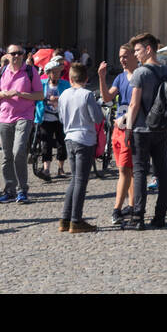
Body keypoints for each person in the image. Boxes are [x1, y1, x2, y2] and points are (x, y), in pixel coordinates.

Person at [125, 32, 167, 230]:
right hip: (160, 129)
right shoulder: (166, 72)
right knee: (162, 172)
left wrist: (128, 128)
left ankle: (138, 218)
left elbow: (134, 104)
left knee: (139, 173)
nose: (135, 54)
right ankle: (160, 216)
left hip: (141, 129)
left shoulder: (140, 73)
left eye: (137, 50)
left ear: (148, 49)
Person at [0, 44, 44, 204]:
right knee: (6, 155)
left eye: (20, 53)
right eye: (13, 53)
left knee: (19, 151)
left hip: (24, 116)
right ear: (7, 55)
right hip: (4, 118)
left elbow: (40, 95)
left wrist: (20, 94)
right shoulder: (0, 72)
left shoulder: (30, 71)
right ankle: (9, 190)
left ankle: (22, 190)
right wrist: (2, 94)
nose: (17, 56)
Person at [57, 61, 104, 233]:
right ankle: (76, 220)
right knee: (81, 181)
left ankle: (65, 218)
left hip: (69, 138)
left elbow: (61, 118)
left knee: (74, 179)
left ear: (70, 78)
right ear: (86, 78)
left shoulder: (64, 95)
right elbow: (97, 118)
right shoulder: (87, 95)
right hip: (85, 139)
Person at [99, 42, 138, 226]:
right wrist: (101, 77)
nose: (122, 59)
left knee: (123, 170)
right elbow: (107, 97)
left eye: (125, 55)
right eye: (120, 56)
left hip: (131, 129)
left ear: (133, 56)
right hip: (118, 129)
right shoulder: (120, 78)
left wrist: (127, 120)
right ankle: (132, 206)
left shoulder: (140, 76)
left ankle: (117, 209)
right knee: (127, 169)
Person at [34, 58, 68, 180]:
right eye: (54, 72)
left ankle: (61, 168)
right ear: (48, 73)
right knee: (46, 143)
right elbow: (35, 97)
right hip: (45, 118)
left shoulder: (65, 84)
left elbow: (70, 97)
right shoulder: (42, 83)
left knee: (61, 143)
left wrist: (58, 99)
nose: (56, 74)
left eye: (58, 72)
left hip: (60, 118)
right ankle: (46, 169)